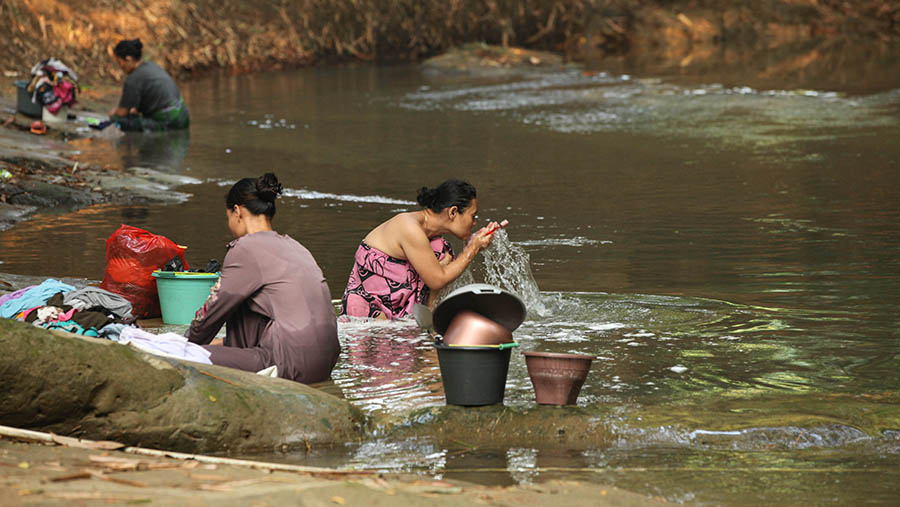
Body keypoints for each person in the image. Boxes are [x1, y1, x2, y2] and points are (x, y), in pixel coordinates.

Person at [185, 173, 340, 383]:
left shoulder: (245, 249)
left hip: (290, 364)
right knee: (244, 301)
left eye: (228, 217)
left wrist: (183, 345)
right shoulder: (296, 247)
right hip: (325, 362)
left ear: (237, 211)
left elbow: (212, 313)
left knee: (182, 356)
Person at [340, 179, 498, 319]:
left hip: (401, 319)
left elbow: (435, 292)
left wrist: (473, 244)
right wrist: (473, 248)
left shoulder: (437, 244)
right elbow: (437, 280)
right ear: (453, 212)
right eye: (473, 216)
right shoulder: (408, 226)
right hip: (367, 314)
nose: (475, 222)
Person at [109, 38, 190, 132]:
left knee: (116, 120)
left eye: (120, 62)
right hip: (183, 118)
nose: (120, 66)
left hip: (169, 123)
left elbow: (122, 113)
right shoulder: (152, 66)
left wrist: (114, 113)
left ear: (128, 59)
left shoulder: (133, 79)